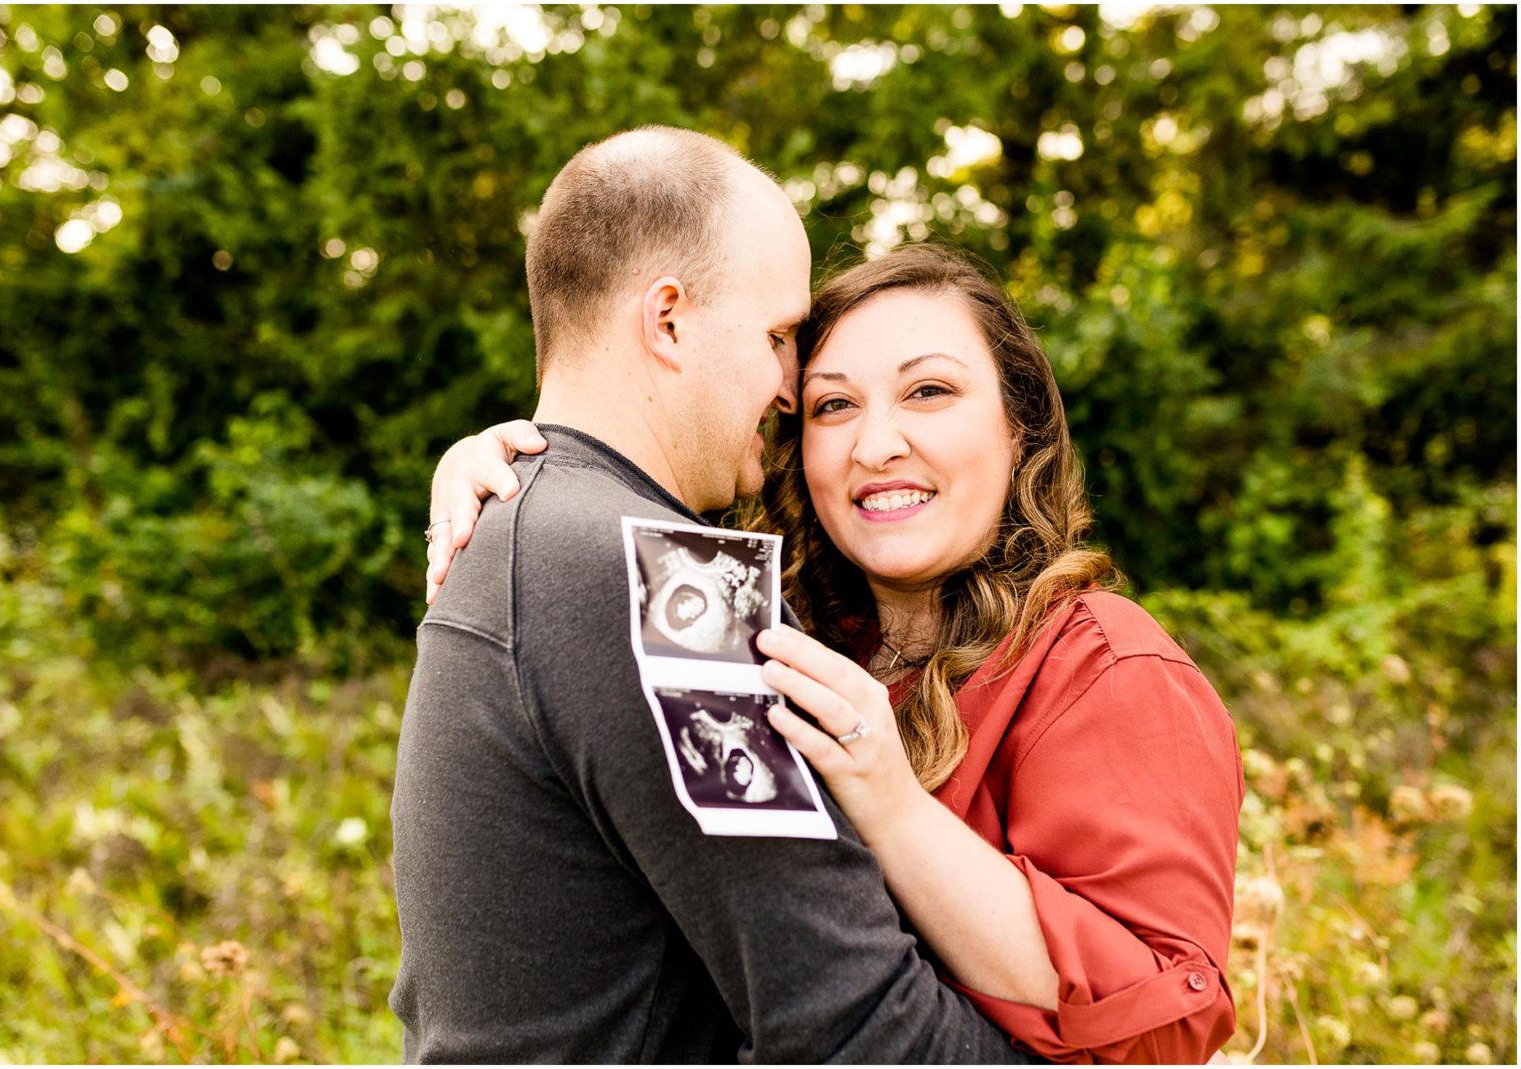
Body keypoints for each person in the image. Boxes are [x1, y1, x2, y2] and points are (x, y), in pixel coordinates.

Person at [427, 243, 1245, 1062]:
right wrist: (538, 475)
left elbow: (1166, 1027)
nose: (876, 444)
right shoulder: (777, 636)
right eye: (832, 406)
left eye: (929, 391)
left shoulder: (1106, 666)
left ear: (1019, 423)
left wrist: (893, 807)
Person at [390, 127, 1027, 1063]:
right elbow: (857, 1028)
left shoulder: (518, 522)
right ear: (669, 321)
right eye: (776, 336)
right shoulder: (667, 586)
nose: (788, 385)